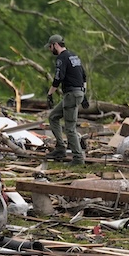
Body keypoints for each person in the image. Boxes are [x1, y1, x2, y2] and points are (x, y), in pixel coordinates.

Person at [45, 34, 89, 164]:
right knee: (53, 117)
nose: (50, 49)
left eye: (50, 47)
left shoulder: (62, 58)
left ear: (55, 45)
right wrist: (83, 94)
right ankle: (60, 148)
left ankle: (78, 158)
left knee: (70, 128)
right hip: (77, 92)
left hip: (71, 94)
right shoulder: (74, 56)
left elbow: (58, 77)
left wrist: (50, 94)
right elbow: (83, 76)